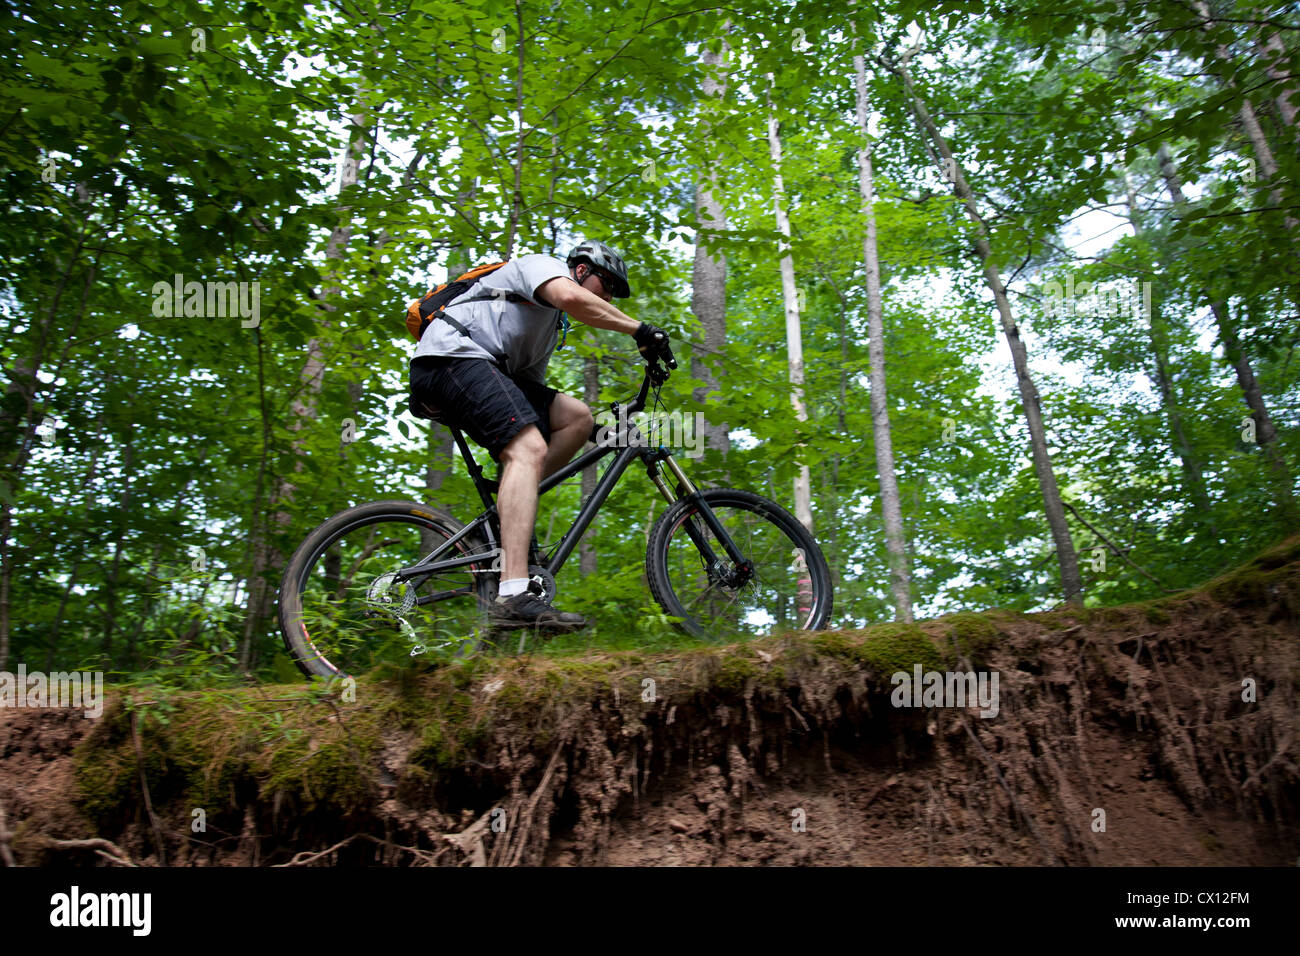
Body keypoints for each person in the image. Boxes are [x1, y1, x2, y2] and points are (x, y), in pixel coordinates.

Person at [408, 240, 675, 633]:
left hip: (479, 371)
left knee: (576, 418)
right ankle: (512, 593)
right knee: (528, 448)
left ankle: (509, 504)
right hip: (451, 358)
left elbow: (523, 393)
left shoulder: (548, 330)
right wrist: (640, 330)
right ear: (582, 270)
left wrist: (602, 434)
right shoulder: (540, 266)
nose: (609, 295)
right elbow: (570, 297)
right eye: (608, 284)